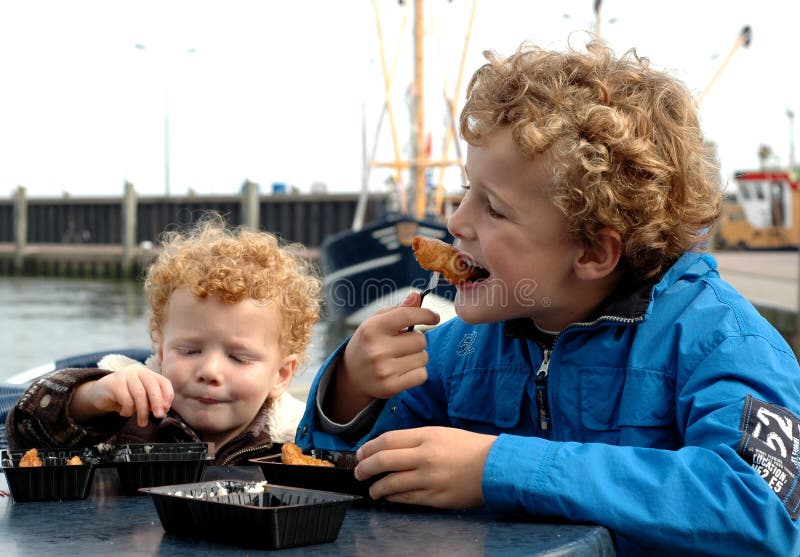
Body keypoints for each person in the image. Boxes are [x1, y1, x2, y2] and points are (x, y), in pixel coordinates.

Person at [297, 40, 800, 556]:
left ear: (593, 252)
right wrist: (351, 393)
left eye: (492, 207)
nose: (454, 222)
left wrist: (498, 469)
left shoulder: (722, 342)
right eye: (465, 191)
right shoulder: (461, 351)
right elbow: (330, 481)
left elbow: (761, 508)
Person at [6, 214, 321, 465]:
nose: (210, 370)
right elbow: (26, 430)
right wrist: (93, 398)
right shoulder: (127, 416)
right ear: (161, 350)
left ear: (281, 375)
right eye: (189, 350)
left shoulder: (296, 442)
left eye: (239, 357)